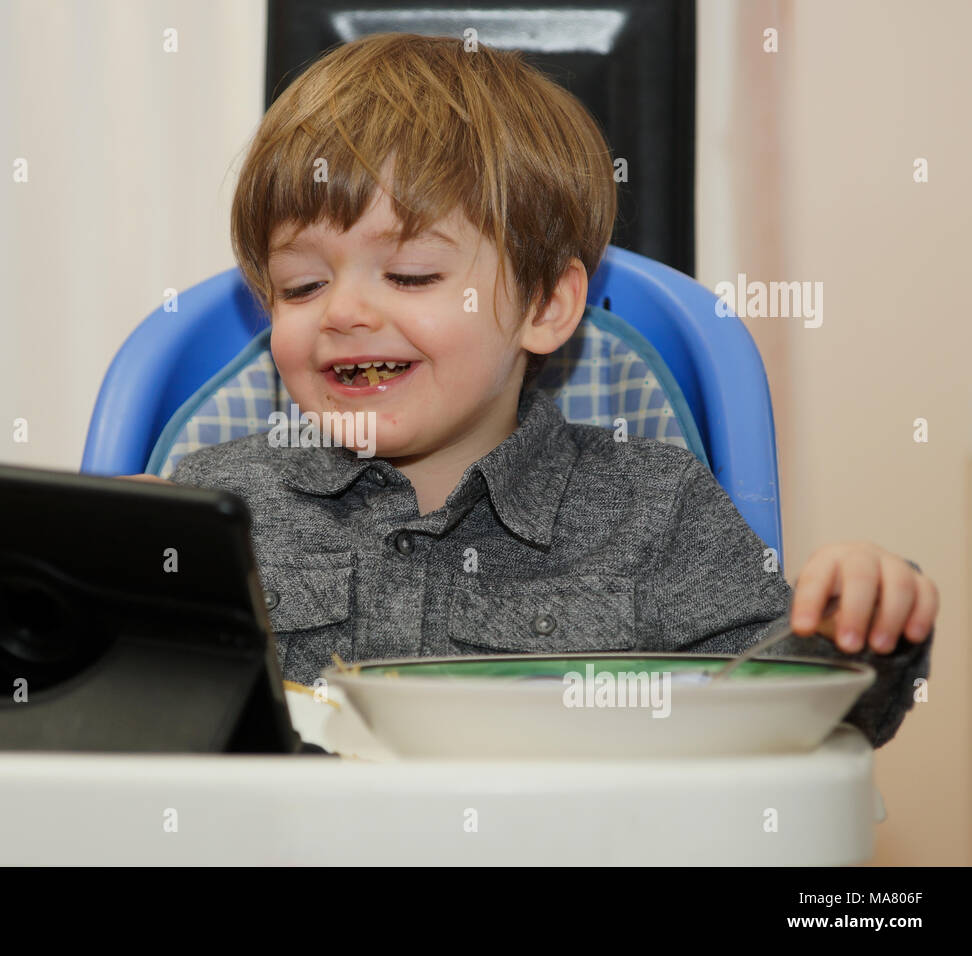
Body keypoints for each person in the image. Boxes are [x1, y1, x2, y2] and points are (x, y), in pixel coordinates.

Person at [122, 33, 936, 748]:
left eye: (409, 274)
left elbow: (774, 717)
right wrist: (100, 592)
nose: (342, 313)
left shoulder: (654, 508)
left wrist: (852, 631)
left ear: (546, 308)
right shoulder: (212, 509)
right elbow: (130, 736)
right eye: (299, 287)